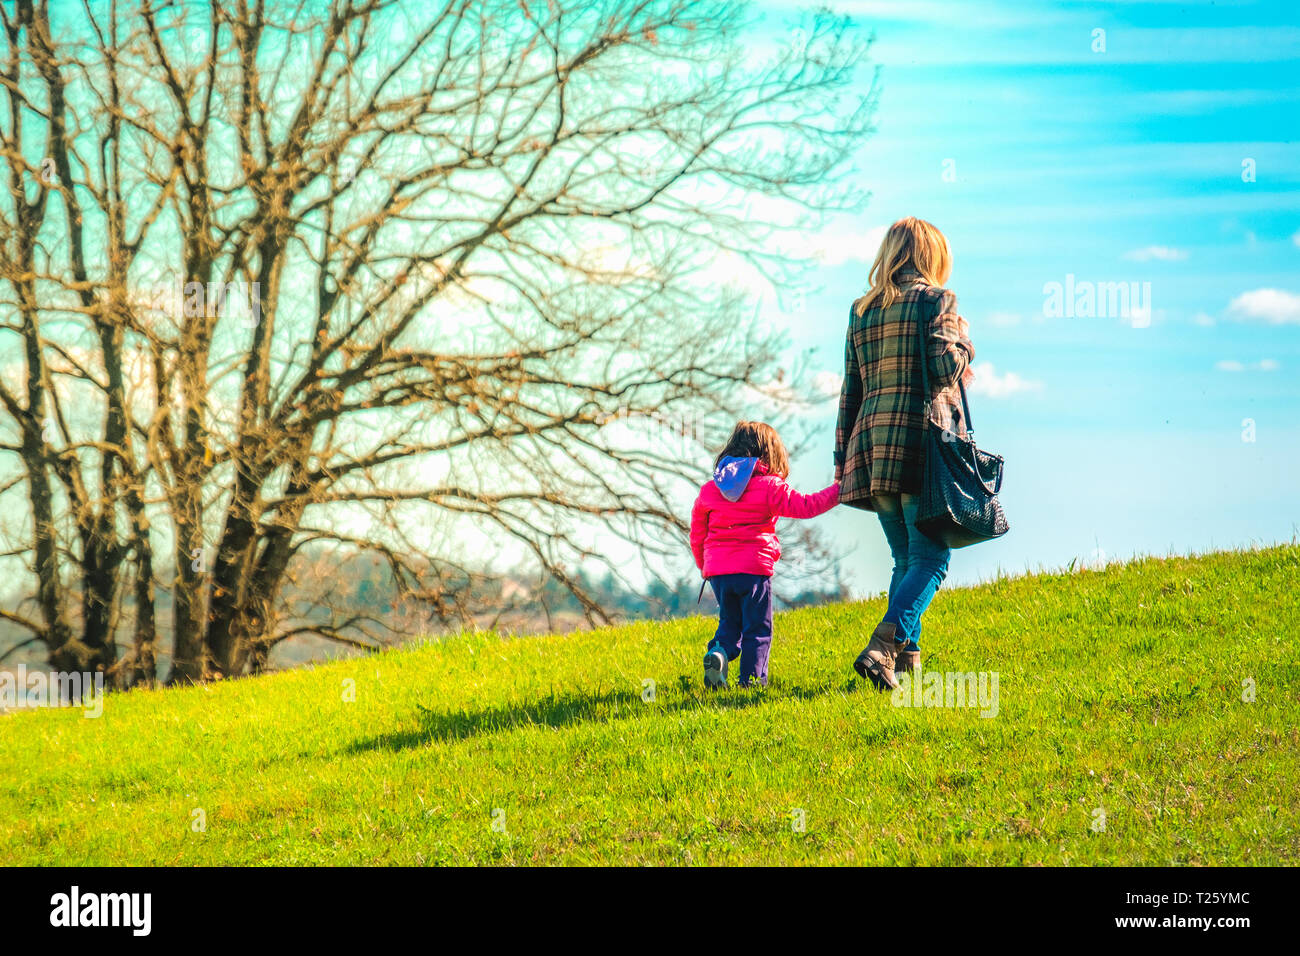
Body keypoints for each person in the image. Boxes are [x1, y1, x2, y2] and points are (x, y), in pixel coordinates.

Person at [834, 217, 976, 691]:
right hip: (920, 446)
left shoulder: (861, 310)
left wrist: (842, 460)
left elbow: (849, 392)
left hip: (872, 449)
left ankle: (906, 660)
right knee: (932, 558)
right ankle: (883, 647)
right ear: (932, 256)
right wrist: (961, 338)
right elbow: (945, 367)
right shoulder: (939, 301)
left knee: (904, 559)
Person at [690, 421, 839, 689]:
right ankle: (751, 683)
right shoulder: (770, 486)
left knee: (730, 623)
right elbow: (806, 506)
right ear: (770, 453)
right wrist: (839, 490)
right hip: (753, 570)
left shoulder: (710, 490)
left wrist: (705, 567)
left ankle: (719, 652)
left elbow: (697, 535)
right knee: (757, 629)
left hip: (719, 572)